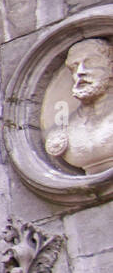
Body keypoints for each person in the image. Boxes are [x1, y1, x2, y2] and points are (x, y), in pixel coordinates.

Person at [45, 38, 113, 175]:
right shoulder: (62, 129)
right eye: (74, 67)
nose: (80, 72)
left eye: (90, 63)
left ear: (111, 68)